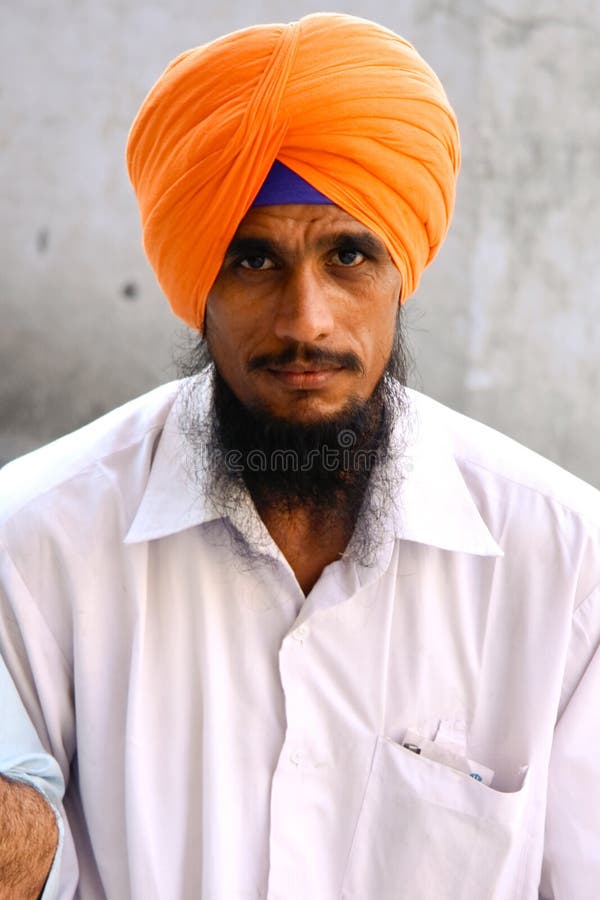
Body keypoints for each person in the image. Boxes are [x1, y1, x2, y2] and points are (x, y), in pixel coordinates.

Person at [1, 12, 599, 899]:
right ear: (196, 279)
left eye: (349, 254)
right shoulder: (34, 540)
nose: (306, 320)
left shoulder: (567, 560)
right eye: (252, 260)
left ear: (404, 269)